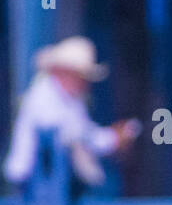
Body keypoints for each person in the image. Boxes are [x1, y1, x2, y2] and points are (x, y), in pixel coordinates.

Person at [4, 36, 140, 190]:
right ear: (62, 71)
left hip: (53, 185)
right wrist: (111, 139)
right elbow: (69, 135)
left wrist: (113, 138)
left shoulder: (71, 101)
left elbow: (85, 134)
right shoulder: (42, 96)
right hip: (31, 185)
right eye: (81, 75)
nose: (85, 82)